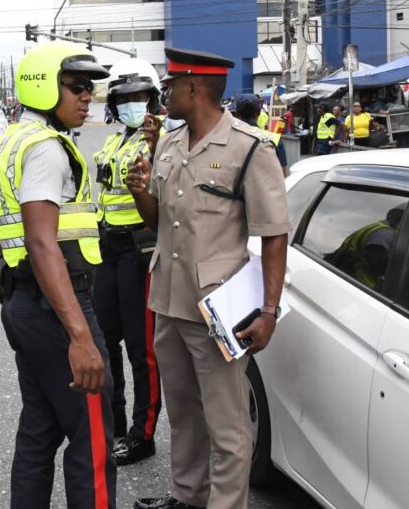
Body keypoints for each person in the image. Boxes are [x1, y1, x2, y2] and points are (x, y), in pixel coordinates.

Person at [127, 47, 290, 509]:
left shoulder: (249, 148)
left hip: (218, 309)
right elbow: (155, 220)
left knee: (229, 427)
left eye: (169, 86)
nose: (164, 96)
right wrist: (140, 193)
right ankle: (188, 495)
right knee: (183, 413)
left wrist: (270, 312)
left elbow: (274, 235)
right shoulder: (170, 143)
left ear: (194, 87)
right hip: (168, 301)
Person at [0, 41, 116, 508]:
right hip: (58, 309)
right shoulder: (47, 150)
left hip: (23, 303)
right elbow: (40, 242)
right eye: (77, 87)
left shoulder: (6, 143)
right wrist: (80, 336)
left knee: (40, 427)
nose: (87, 97)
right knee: (93, 433)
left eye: (90, 89)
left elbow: (5, 237)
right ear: (42, 88)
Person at [91, 63, 164, 466]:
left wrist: (156, 144)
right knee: (104, 340)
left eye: (139, 97)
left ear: (152, 99)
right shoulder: (116, 142)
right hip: (108, 250)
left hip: (140, 253)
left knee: (143, 350)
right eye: (124, 99)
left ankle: (144, 434)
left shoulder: (160, 140)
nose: (132, 105)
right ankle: (115, 424)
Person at [232, 95, 288, 177]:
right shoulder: (274, 139)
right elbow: (282, 174)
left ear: (237, 114)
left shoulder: (228, 138)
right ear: (258, 113)